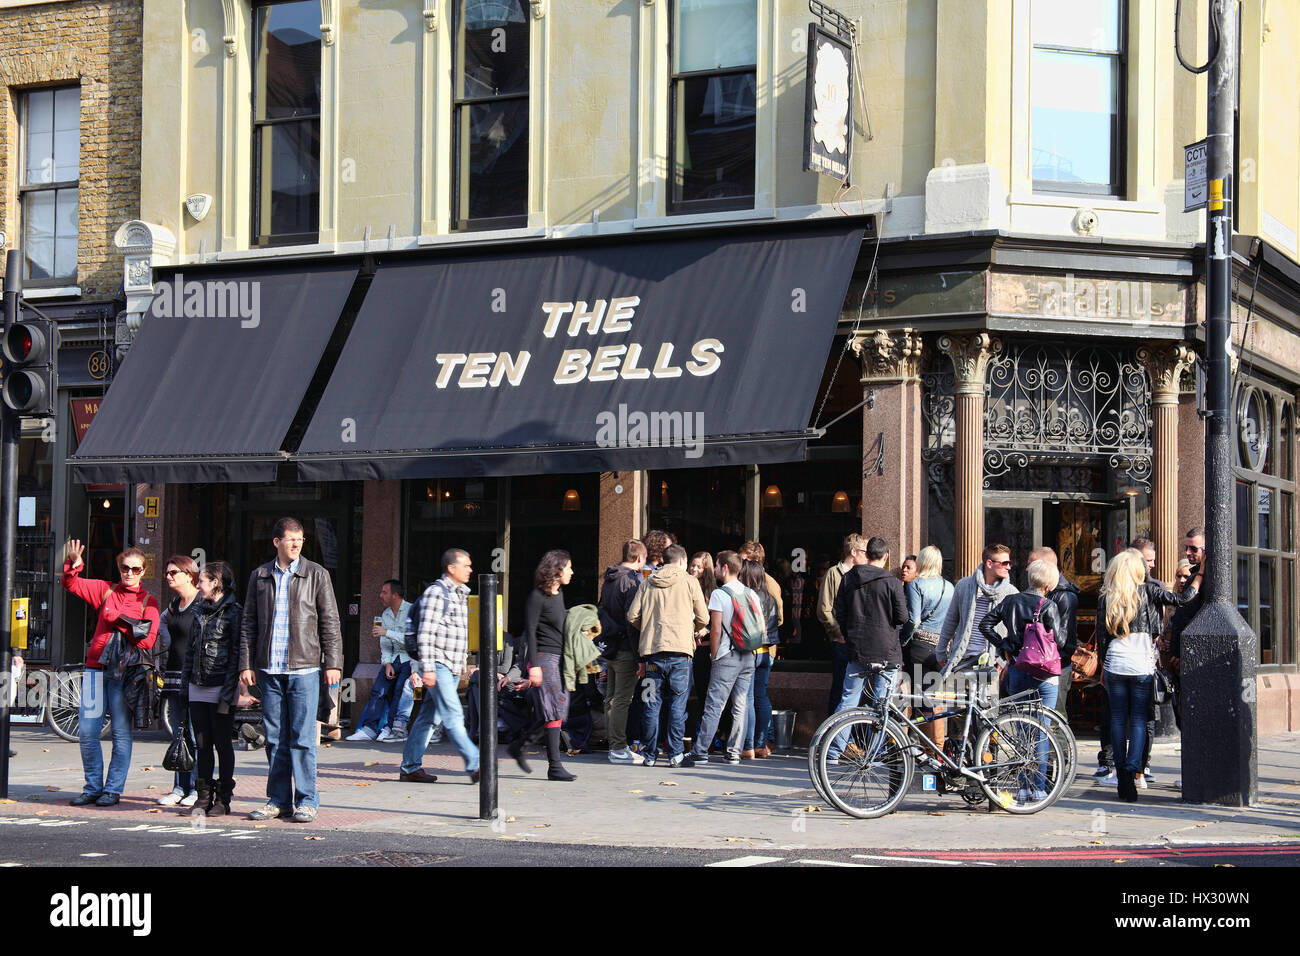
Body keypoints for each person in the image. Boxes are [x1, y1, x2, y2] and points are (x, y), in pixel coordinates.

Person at [238, 517, 342, 823]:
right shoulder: (259, 576)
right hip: (269, 669)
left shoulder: (316, 574)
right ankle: (278, 799)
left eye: (300, 539)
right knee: (274, 737)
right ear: (276, 542)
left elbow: (330, 622)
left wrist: (333, 662)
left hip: (305, 668)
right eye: (290, 539)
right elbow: (248, 624)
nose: (296, 544)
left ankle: (307, 800)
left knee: (303, 737)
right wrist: (245, 664)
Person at [1097, 549, 1201, 802]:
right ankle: (1134, 769)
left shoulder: (1107, 596)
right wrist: (1199, 577)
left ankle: (1121, 772)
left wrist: (1102, 667)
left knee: (1119, 720)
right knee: (1140, 720)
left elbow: (1102, 636)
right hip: (1141, 666)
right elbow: (1183, 599)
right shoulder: (1150, 590)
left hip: (1115, 664)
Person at [62, 540, 160, 807]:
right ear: (119, 568)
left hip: (125, 674)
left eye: (136, 569)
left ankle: (113, 789)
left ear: (144, 570)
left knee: (120, 733)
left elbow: (148, 640)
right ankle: (93, 786)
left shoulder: (149, 601)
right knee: (87, 732)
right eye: (125, 568)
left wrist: (115, 617)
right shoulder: (105, 590)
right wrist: (73, 563)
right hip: (96, 669)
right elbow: (71, 584)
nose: (130, 573)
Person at [979, 558, 1064, 801]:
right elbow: (1060, 640)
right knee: (1041, 730)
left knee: (1022, 729)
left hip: (1017, 667)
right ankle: (1038, 788)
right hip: (1045, 673)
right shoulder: (1048, 606)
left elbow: (985, 625)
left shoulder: (1011, 600)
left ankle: (1023, 786)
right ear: (1048, 585)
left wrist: (1005, 645)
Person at [398, 549, 481, 785]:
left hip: (451, 667)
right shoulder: (437, 593)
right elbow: (425, 633)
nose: (470, 570)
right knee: (453, 715)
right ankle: (475, 764)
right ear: (451, 568)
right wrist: (429, 668)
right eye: (465, 565)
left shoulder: (459, 594)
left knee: (428, 718)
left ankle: (410, 767)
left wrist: (461, 666)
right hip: (439, 665)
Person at [826, 536, 908, 764]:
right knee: (881, 703)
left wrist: (849, 632)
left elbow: (838, 611)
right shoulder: (891, 582)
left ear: (868, 554)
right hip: (887, 650)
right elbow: (902, 616)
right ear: (885, 556)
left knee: (848, 699)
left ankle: (834, 750)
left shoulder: (849, 578)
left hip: (857, 648)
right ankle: (875, 752)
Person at [627, 544, 709, 768]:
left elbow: (632, 615)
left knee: (650, 705)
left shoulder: (647, 582)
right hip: (681, 654)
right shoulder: (690, 582)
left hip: (652, 655)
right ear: (682, 561)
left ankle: (650, 755)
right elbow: (703, 617)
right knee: (677, 705)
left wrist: (648, 630)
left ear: (664, 561)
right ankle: (675, 755)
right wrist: (692, 628)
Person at [683, 552, 755, 767]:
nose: (714, 569)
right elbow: (759, 627)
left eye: (716, 566)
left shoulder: (719, 594)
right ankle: (734, 753)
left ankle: (701, 751)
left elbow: (715, 629)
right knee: (740, 706)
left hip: (726, 654)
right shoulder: (751, 593)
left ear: (724, 568)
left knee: (715, 705)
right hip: (748, 655)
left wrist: (714, 655)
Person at [182, 561, 243, 817]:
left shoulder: (233, 611)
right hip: (198, 683)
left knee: (222, 743)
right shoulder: (198, 610)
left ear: (216, 582)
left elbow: (237, 652)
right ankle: (203, 797)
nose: (198, 586)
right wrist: (185, 685)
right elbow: (191, 649)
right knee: (202, 743)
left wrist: (230, 691)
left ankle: (224, 798)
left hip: (221, 685)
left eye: (202, 581)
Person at [518, 549, 578, 781]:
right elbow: (530, 633)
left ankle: (519, 745)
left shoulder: (558, 595)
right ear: (557, 569)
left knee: (557, 710)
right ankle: (554, 766)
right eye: (569, 567)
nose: (572, 572)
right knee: (554, 709)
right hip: (544, 658)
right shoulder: (537, 597)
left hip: (560, 658)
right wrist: (533, 666)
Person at [156, 555, 201, 807]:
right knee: (178, 733)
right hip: (174, 675)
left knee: (194, 735)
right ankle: (179, 787)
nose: (169, 577)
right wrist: (168, 643)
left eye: (174, 572)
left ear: (189, 574)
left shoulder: (200, 602)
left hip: (195, 677)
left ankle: (196, 787)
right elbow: (162, 622)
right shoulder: (175, 604)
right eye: (167, 573)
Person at [937, 543, 1018, 678]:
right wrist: (940, 651)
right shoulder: (964, 586)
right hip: (963, 660)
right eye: (1004, 563)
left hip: (993, 663)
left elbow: (1015, 632)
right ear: (989, 563)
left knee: (990, 699)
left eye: (1009, 563)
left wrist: (1003, 661)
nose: (1008, 567)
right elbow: (951, 620)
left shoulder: (1011, 592)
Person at [598, 540, 647, 765]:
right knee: (622, 699)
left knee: (610, 698)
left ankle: (613, 745)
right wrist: (640, 657)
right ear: (639, 558)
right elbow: (632, 621)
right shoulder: (632, 581)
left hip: (610, 646)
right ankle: (618, 748)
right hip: (626, 647)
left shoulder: (609, 579)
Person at [347, 579, 414, 742]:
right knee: (379, 689)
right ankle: (369, 729)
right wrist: (387, 663)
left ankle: (390, 728)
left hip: (410, 659)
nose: (380, 595)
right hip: (393, 659)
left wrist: (387, 632)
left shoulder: (411, 611)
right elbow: (385, 644)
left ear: (395, 595)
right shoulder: (385, 614)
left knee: (399, 689)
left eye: (384, 592)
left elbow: (412, 641)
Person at [738, 541, 781, 756]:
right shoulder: (768, 591)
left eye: (743, 559)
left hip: (751, 649)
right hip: (766, 649)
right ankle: (760, 744)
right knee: (759, 696)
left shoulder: (755, 588)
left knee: (748, 698)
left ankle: (750, 744)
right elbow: (778, 618)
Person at [817, 535, 867, 717]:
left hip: (859, 640)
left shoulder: (864, 573)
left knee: (857, 690)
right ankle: (833, 733)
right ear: (853, 552)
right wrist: (837, 632)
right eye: (864, 551)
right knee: (840, 688)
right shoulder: (834, 573)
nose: (867, 555)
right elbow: (824, 608)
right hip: (842, 640)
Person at [1027, 546, 1080, 713]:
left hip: (1055, 665)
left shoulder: (1064, 596)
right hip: (1036, 663)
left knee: (1055, 717)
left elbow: (1064, 638)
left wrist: (1052, 661)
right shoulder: (1038, 591)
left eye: (1031, 564)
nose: (1027, 568)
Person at [686, 550, 717, 741]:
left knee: (704, 690)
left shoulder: (713, 592)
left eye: (699, 567)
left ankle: (705, 736)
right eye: (693, 565)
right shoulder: (684, 585)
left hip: (703, 646)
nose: (695, 569)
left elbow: (717, 619)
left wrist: (705, 628)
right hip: (686, 644)